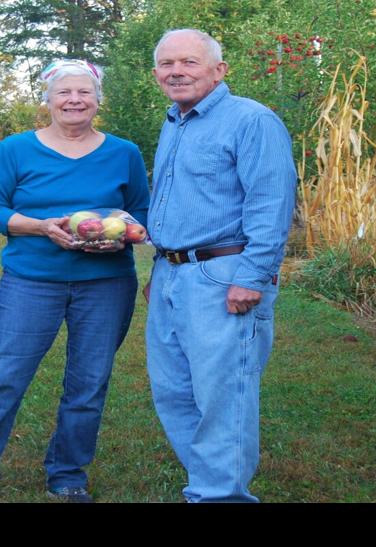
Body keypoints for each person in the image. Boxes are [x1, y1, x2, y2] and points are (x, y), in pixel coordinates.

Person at [0, 59, 150, 503]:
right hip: (32, 279)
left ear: (98, 100)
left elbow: (143, 213)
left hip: (106, 283)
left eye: (84, 93)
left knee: (89, 381)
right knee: (4, 375)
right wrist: (41, 227)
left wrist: (122, 234)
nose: (74, 100)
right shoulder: (16, 149)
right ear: (48, 99)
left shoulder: (124, 153)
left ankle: (67, 474)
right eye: (64, 93)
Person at [144, 29, 297, 503]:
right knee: (173, 392)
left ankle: (219, 495)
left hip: (223, 275)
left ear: (219, 70)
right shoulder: (176, 121)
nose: (177, 71)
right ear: (156, 75)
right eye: (167, 64)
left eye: (189, 62)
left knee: (222, 397)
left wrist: (251, 277)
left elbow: (271, 204)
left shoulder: (251, 120)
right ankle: (209, 483)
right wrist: (160, 269)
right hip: (172, 274)